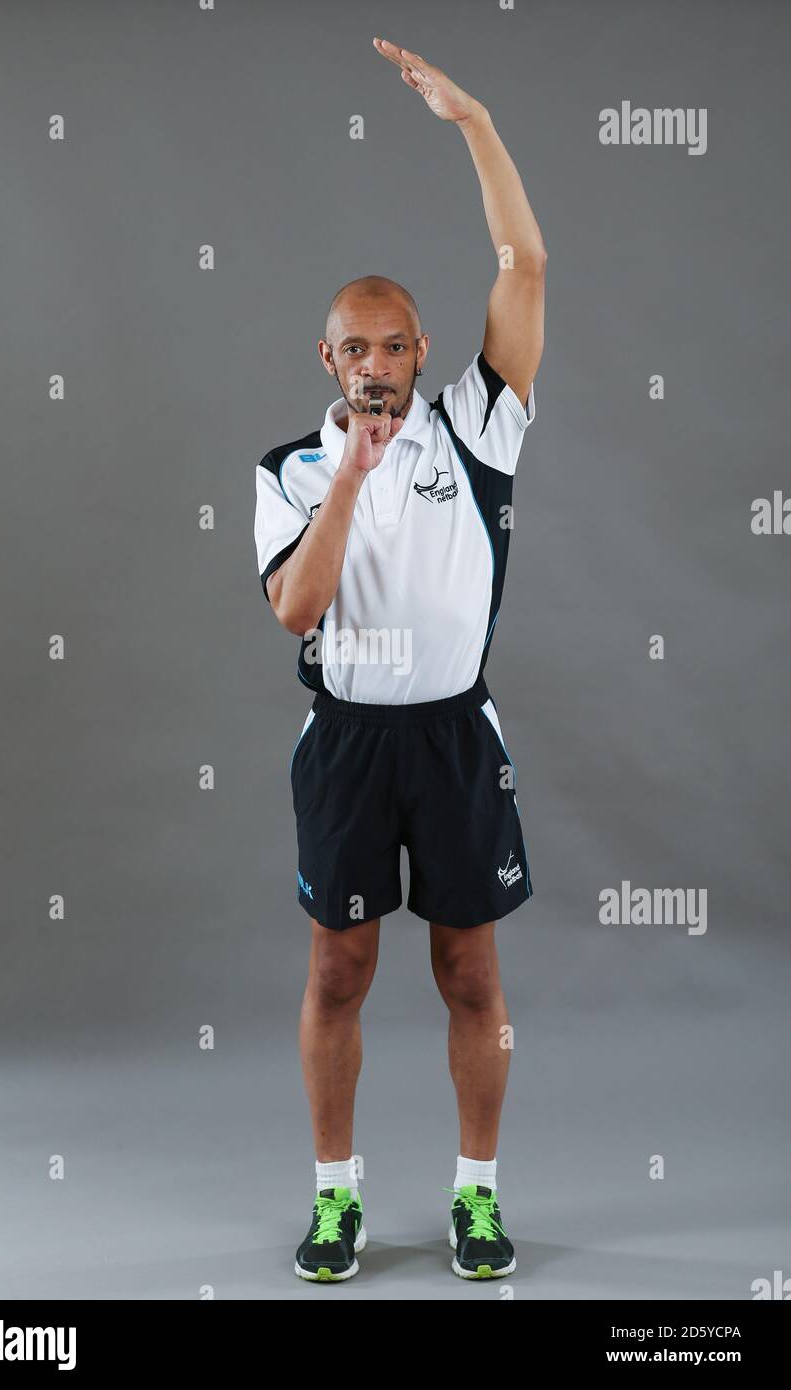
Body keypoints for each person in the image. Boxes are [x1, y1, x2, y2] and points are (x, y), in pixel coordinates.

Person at [254, 36, 546, 1282]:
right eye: (353, 349)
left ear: (421, 351)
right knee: (339, 967)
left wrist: (473, 121)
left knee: (469, 970)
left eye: (392, 345)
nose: (374, 365)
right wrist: (352, 480)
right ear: (327, 360)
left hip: (451, 733)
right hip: (348, 739)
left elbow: (523, 264)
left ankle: (476, 1195)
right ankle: (337, 1199)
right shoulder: (288, 471)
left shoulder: (476, 430)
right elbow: (295, 610)